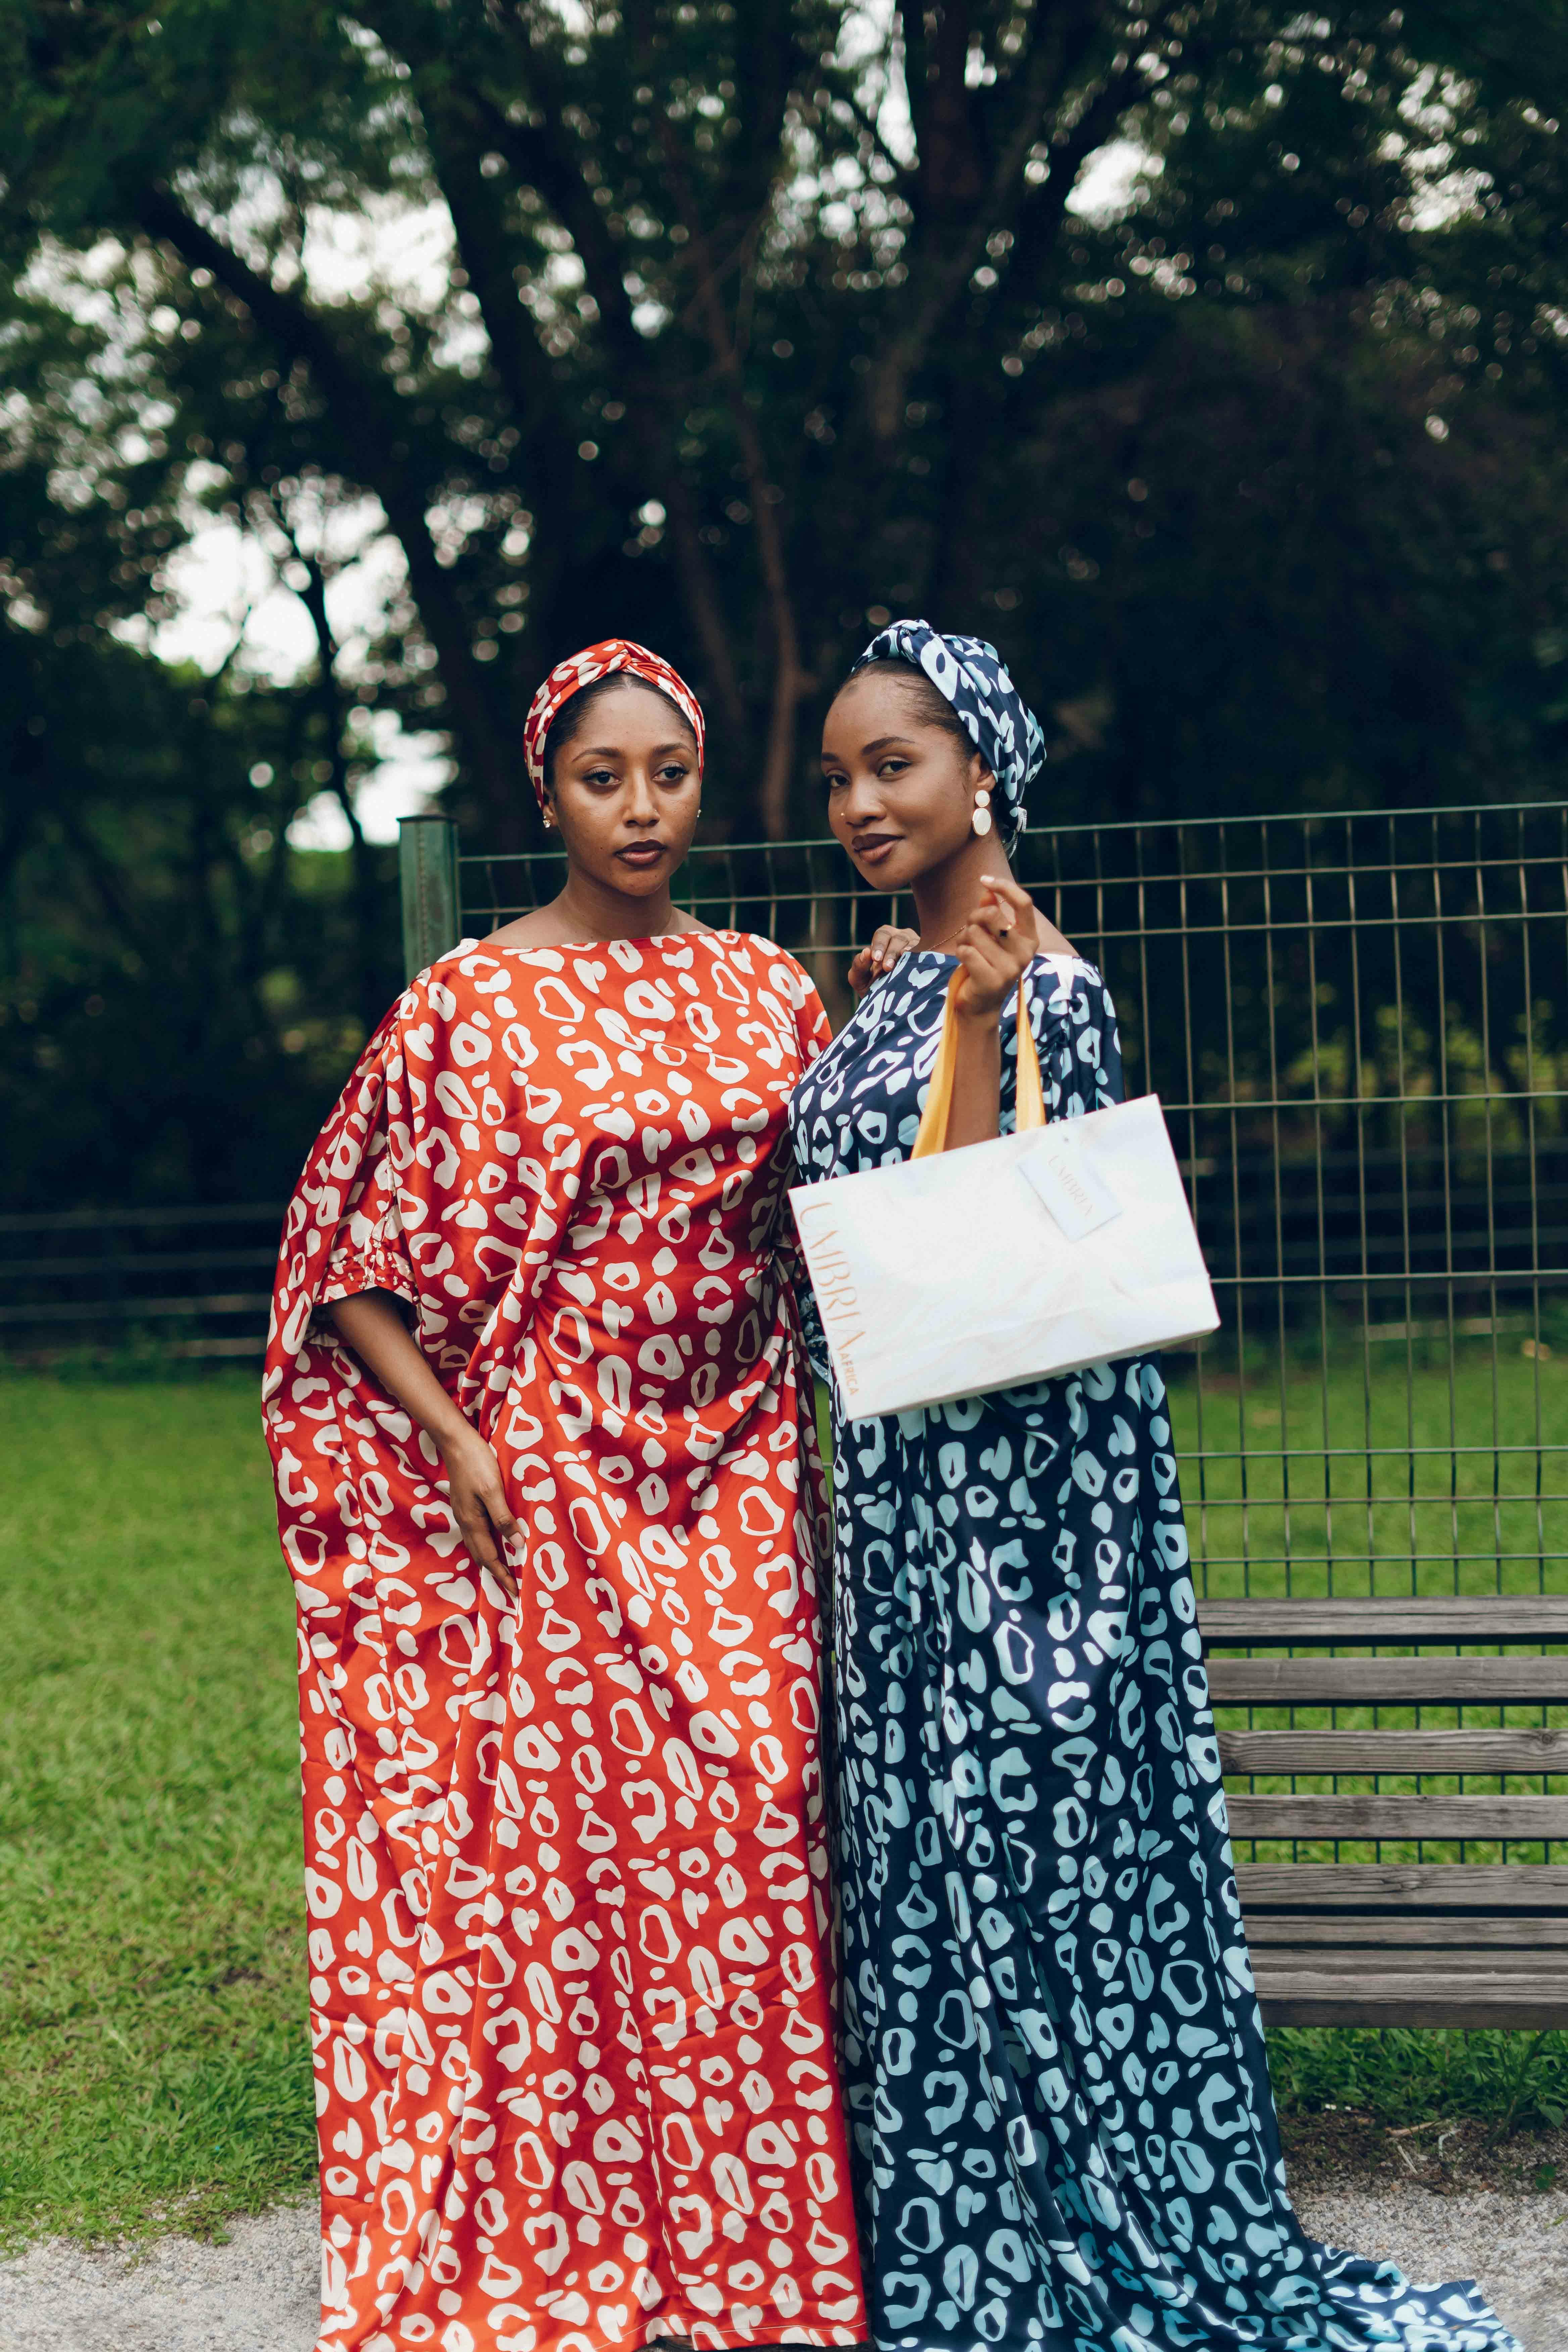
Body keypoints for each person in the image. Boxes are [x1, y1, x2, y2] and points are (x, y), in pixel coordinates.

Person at [786, 620, 1517, 2352]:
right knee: (934, 1881)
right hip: (900, 1515)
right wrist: (902, 1009)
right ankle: (961, 2234)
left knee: (1027, 1872)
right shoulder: (901, 975)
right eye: (834, 775)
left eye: (893, 763)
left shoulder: (1048, 986)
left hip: (1019, 1531)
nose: (859, 800)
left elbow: (974, 1242)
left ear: (982, 768)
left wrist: (969, 1020)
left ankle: (1060, 2228)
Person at [264, 640, 866, 2352]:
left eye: (667, 774)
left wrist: (935, 1004)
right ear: (548, 794)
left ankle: (752, 2252)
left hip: (741, 1461)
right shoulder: (466, 1002)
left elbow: (847, 1202)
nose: (641, 808)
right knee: (579, 1857)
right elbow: (337, 1249)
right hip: (553, 1473)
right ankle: (582, 2228)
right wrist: (453, 1435)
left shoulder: (769, 988)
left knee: (749, 1831)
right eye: (604, 778)